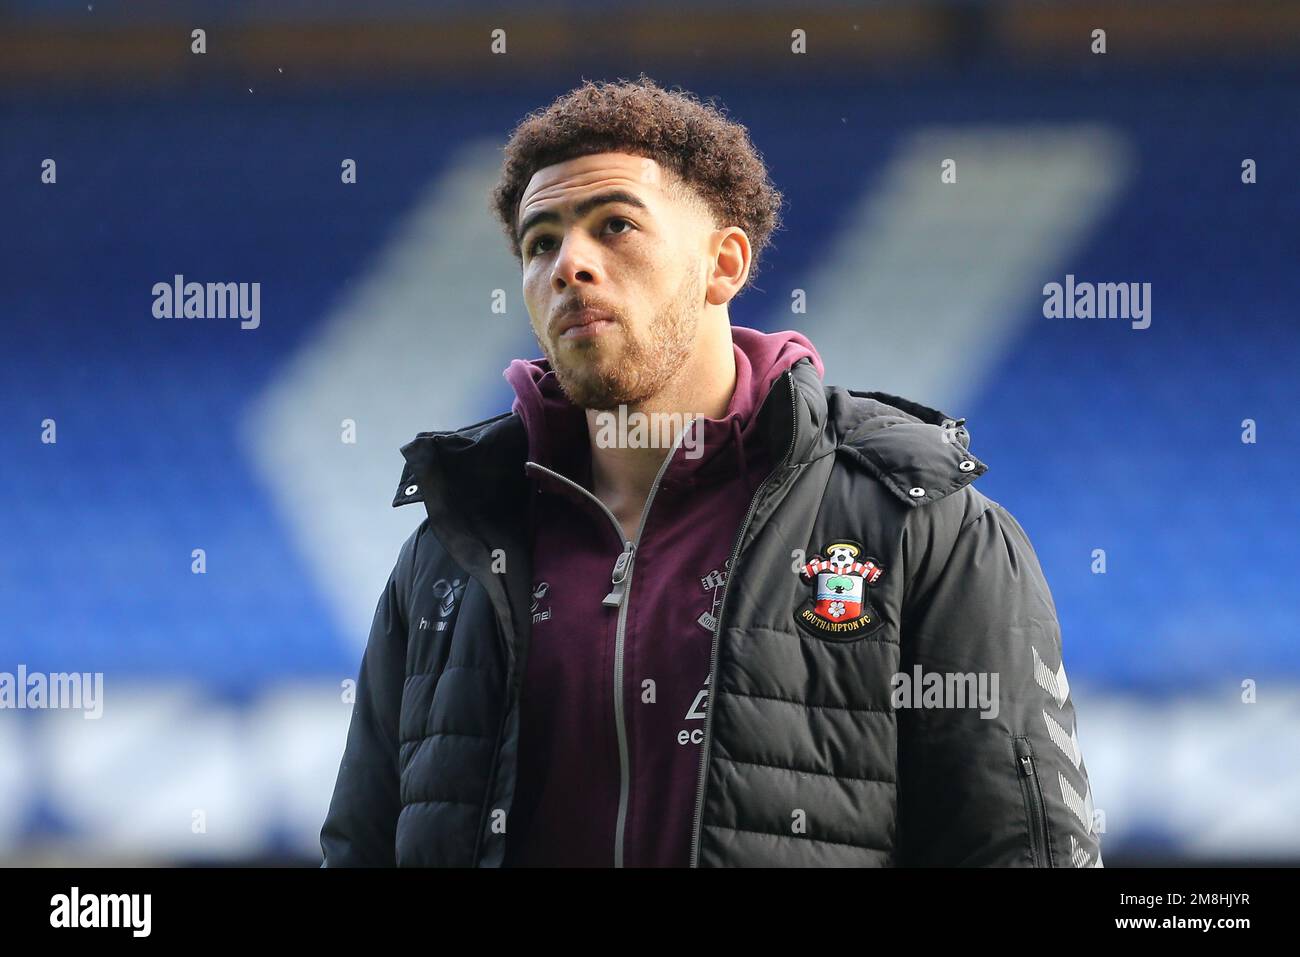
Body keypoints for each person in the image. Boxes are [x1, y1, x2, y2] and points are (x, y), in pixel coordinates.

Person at [320, 75, 1102, 868]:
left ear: (723, 264)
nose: (568, 265)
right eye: (540, 242)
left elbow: (1019, 851)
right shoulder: (451, 551)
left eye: (615, 224)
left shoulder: (919, 523)